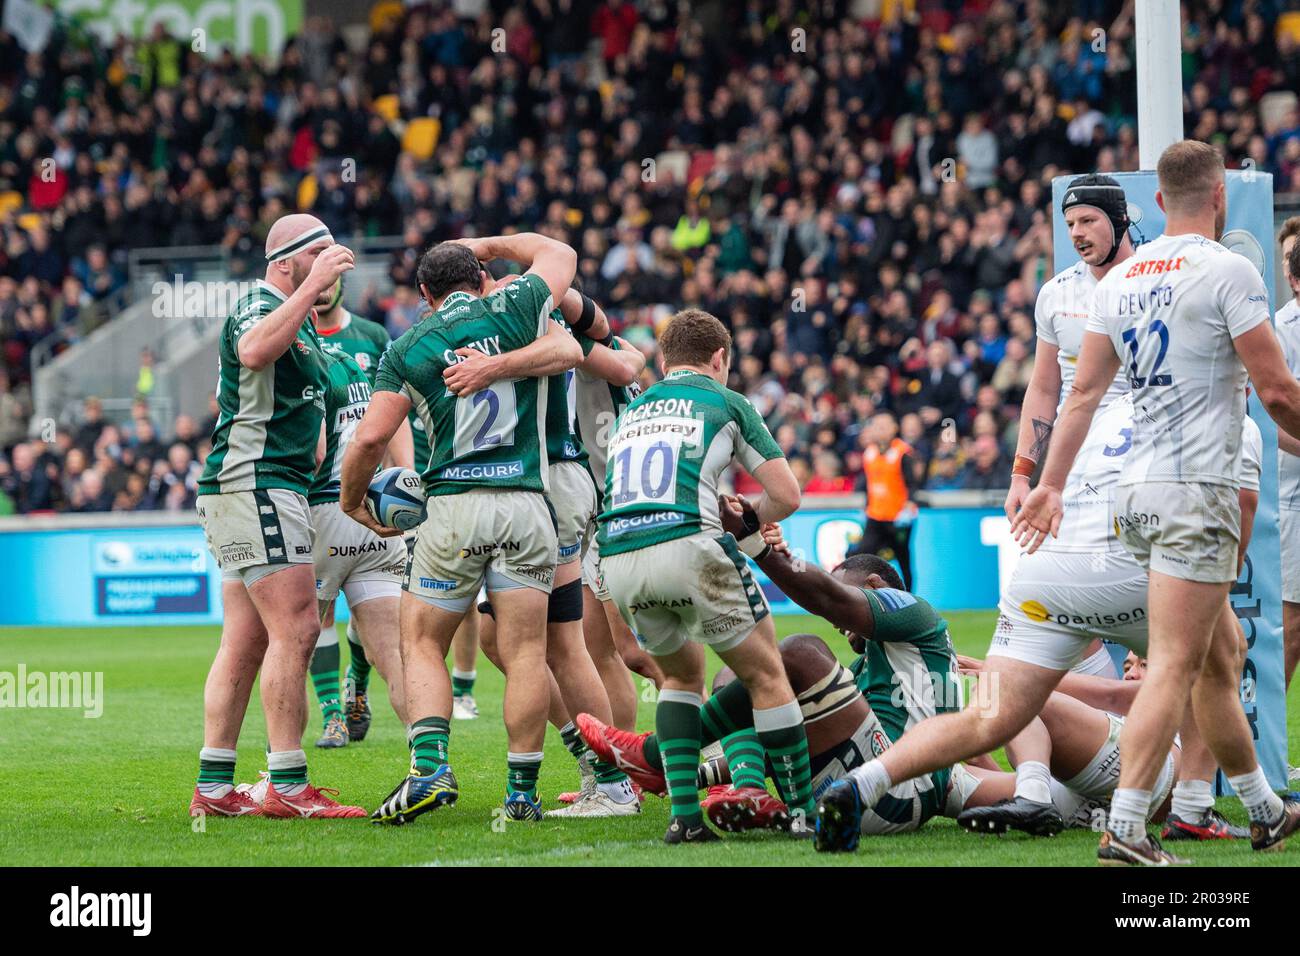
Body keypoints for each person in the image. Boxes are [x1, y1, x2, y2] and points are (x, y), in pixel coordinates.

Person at [1013, 140, 1300, 863]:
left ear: (1158, 203)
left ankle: (1264, 807)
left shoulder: (1122, 280)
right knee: (1175, 661)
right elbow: (1276, 394)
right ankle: (1128, 826)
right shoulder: (1231, 271)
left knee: (1221, 654)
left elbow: (1077, 395)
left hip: (1130, 491)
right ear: (1221, 199)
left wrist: (1047, 481)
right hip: (1197, 487)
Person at [340, 233, 581, 825]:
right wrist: (489, 243)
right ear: (481, 278)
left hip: (452, 505)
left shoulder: (408, 346)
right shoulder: (520, 303)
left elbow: (371, 437)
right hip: (527, 502)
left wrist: (351, 502)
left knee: (422, 640)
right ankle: (522, 794)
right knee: (527, 651)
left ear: (424, 294)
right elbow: (562, 255)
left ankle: (430, 768)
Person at [594, 308, 810, 843]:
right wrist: (752, 520)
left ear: (665, 361)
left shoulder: (633, 409)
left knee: (683, 677)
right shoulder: (726, 401)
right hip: (688, 545)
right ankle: (805, 812)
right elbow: (787, 495)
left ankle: (685, 820)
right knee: (766, 676)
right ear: (720, 359)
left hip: (618, 556)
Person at [190, 213, 365, 819]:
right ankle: (288, 786)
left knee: (245, 639)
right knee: (297, 628)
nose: (330, 270)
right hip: (256, 483)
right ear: (287, 261)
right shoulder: (258, 304)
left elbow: (312, 421)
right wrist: (314, 285)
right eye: (317, 258)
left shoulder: (302, 321)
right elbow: (254, 349)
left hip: (265, 484)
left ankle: (214, 788)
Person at [305, 344, 411, 748]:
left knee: (290, 643)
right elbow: (380, 429)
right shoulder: (352, 360)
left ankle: (285, 769)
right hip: (375, 515)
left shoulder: (305, 361)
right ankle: (429, 759)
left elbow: (314, 455)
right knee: (397, 657)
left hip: (325, 511)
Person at [1272, 222, 1300, 775]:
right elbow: (1266, 409)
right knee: (1291, 621)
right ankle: (1267, 755)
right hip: (1294, 494)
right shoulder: (1281, 330)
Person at [851, 411, 919, 589]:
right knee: (864, 556)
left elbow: (912, 484)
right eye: (876, 426)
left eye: (884, 426)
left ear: (894, 428)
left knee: (903, 558)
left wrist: (908, 507)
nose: (880, 430)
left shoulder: (902, 453)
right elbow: (868, 485)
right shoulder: (869, 453)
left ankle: (909, 597)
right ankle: (861, 595)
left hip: (897, 518)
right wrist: (865, 508)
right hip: (875, 516)